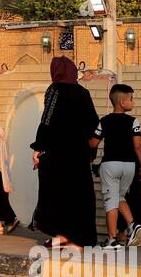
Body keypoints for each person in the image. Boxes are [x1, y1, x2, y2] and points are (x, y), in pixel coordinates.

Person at [31, 56, 99, 248]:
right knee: (79, 194)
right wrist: (89, 150)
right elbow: (93, 122)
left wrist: (38, 147)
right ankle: (79, 239)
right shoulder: (83, 92)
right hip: (78, 154)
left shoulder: (55, 90)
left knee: (57, 194)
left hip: (58, 154)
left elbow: (47, 120)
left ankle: (62, 236)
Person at [90, 84, 141, 248]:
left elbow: (93, 143)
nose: (133, 102)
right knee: (119, 197)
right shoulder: (133, 121)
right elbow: (138, 146)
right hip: (129, 166)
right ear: (122, 102)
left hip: (110, 166)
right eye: (131, 98)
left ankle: (112, 240)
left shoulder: (104, 121)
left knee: (110, 202)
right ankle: (133, 225)